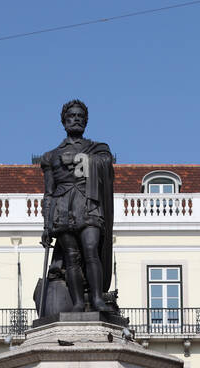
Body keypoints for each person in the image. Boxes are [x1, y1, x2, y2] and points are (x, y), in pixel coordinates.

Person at [38, 100, 117, 317]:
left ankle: (97, 298)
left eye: (81, 116)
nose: (76, 119)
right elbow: (49, 192)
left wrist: (80, 158)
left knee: (91, 249)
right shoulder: (50, 156)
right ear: (64, 121)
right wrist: (46, 225)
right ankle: (77, 304)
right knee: (72, 257)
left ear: (86, 121)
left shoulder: (98, 149)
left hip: (88, 201)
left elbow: (106, 163)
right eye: (72, 116)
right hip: (62, 206)